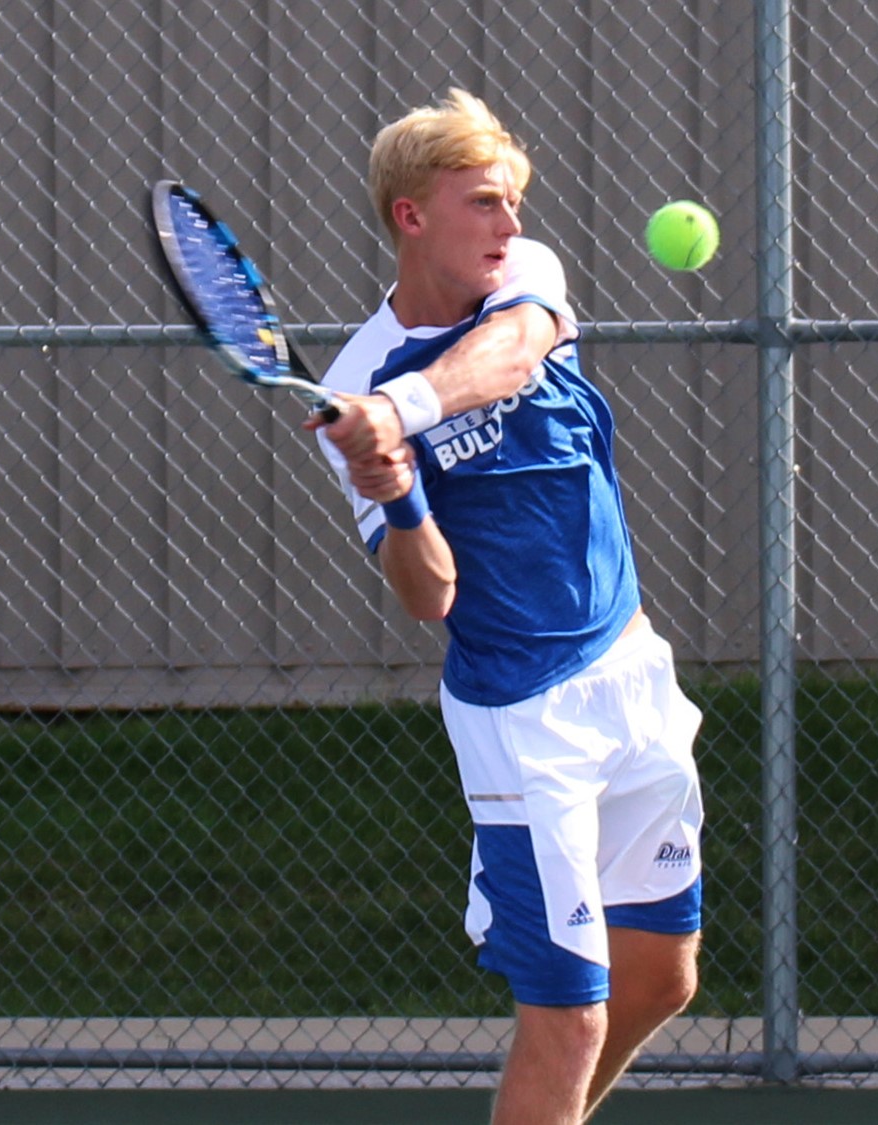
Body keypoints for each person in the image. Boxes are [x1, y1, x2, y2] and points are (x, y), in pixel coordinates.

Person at [308, 88, 706, 1124]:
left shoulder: (521, 280)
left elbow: (513, 354)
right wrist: (397, 491)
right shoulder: (353, 379)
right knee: (566, 1018)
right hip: (523, 722)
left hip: (631, 669)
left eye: (512, 200)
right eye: (482, 201)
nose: (509, 221)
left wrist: (397, 412)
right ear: (411, 215)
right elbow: (427, 593)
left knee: (661, 978)